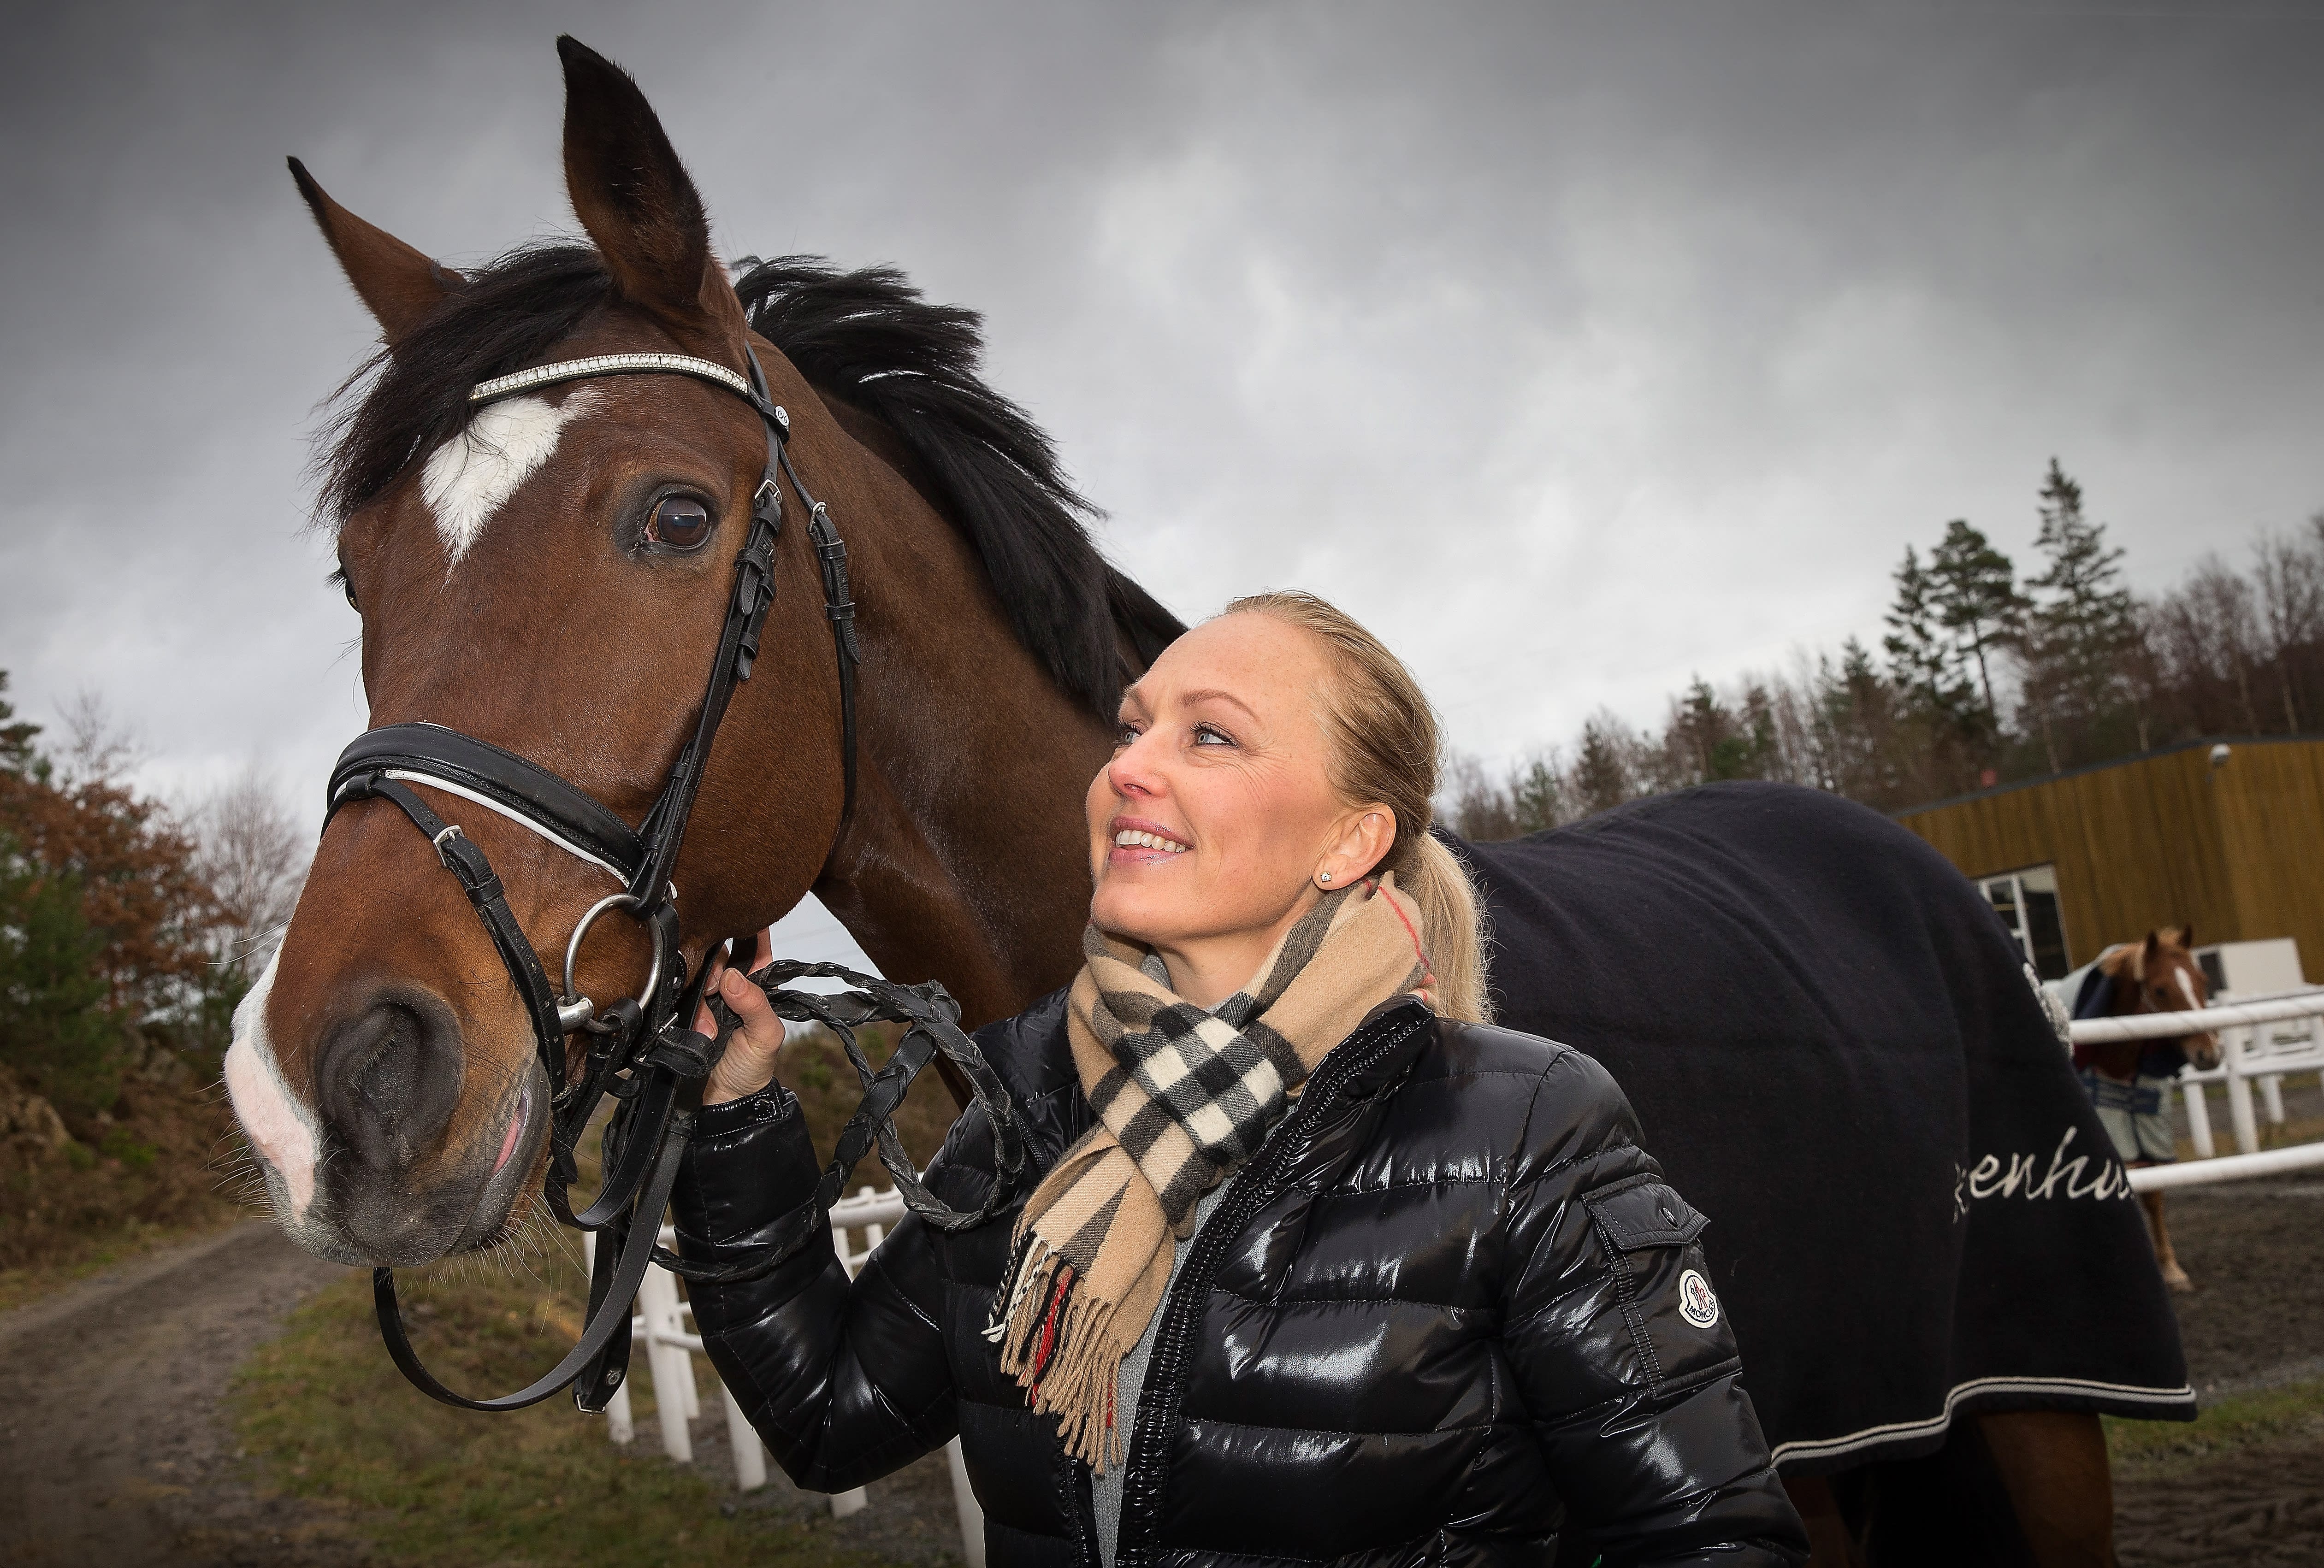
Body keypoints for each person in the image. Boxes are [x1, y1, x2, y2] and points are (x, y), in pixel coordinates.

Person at [676, 590, 1807, 1567]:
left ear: (1351, 841)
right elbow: (830, 1416)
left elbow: (1710, 1539)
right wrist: (736, 1112)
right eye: (1131, 729)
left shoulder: (1524, 1131)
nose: (1128, 767)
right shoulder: (1029, 1099)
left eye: (1208, 737)